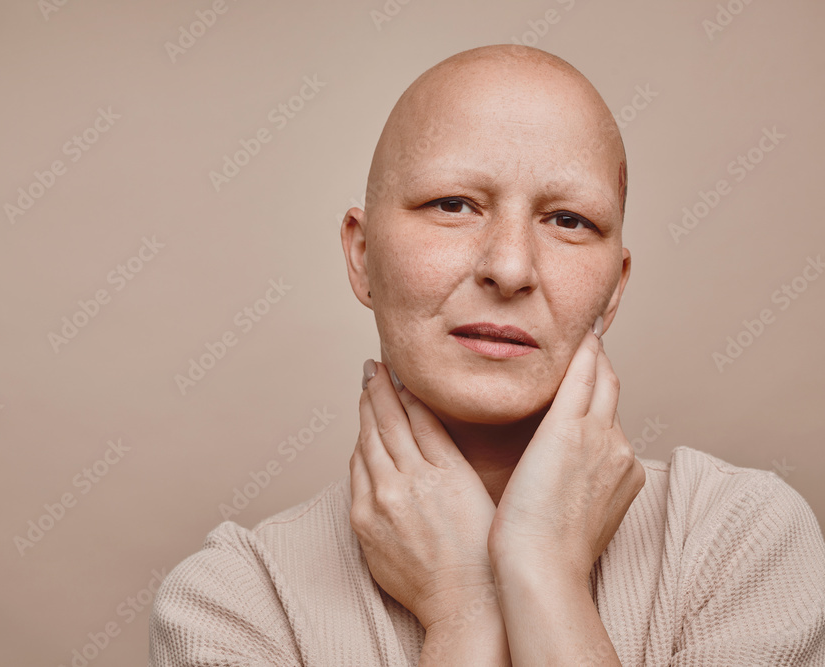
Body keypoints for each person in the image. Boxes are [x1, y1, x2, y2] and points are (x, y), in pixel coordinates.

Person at [149, 45, 825, 666]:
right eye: (453, 204)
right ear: (362, 254)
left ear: (615, 287)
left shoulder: (741, 539)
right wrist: (461, 608)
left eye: (569, 220)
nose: (509, 266)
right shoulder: (233, 603)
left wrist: (545, 570)